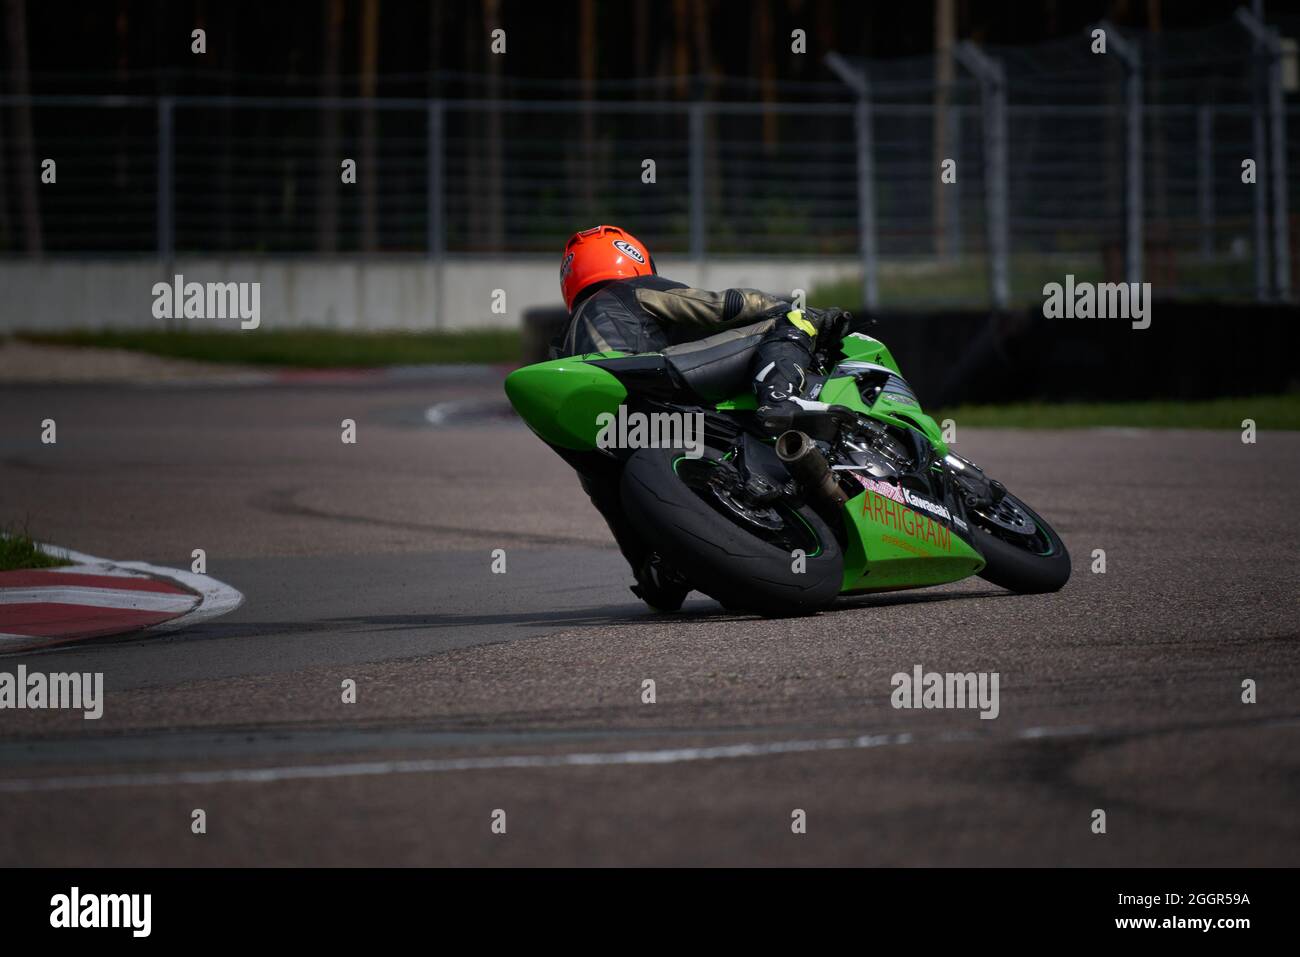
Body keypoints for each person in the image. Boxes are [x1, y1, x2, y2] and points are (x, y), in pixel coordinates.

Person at [555, 224, 848, 611]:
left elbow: (603, 494)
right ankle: (781, 399)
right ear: (633, 259)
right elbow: (723, 305)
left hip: (619, 434)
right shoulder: (630, 291)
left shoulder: (567, 344)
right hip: (654, 383)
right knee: (793, 324)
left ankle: (654, 568)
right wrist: (789, 310)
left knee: (600, 479)